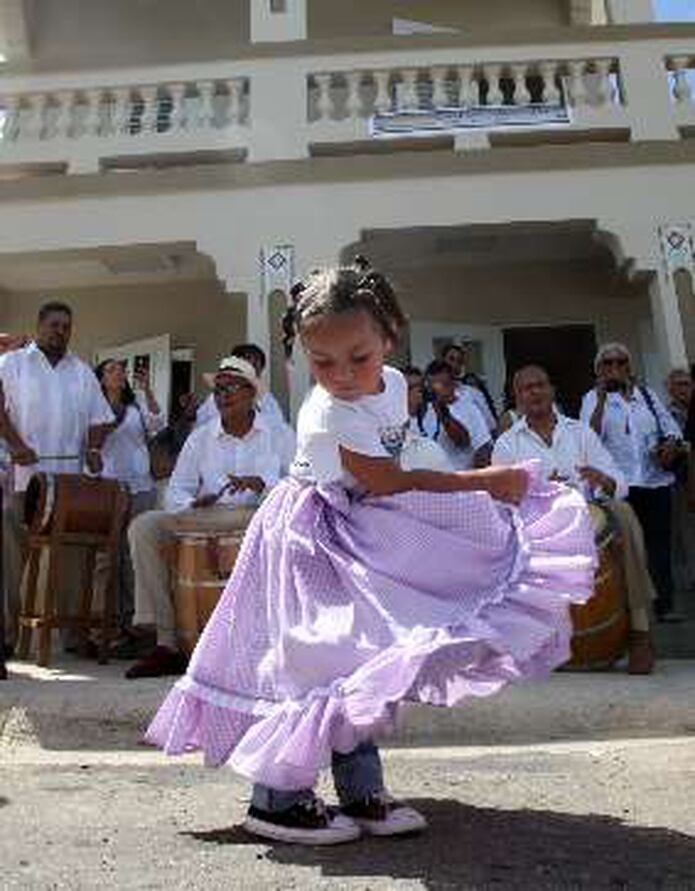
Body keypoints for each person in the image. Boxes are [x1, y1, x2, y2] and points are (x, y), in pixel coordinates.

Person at [146, 258, 595, 846]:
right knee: (317, 661)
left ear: (389, 335)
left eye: (358, 356)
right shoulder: (328, 410)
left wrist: (467, 504)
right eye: (322, 362)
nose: (343, 374)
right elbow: (384, 480)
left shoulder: (389, 388)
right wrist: (484, 482)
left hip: (360, 525)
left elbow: (401, 457)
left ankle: (360, 790)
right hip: (311, 537)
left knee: (365, 660)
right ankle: (276, 799)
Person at [125, 356, 282, 679]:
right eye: (218, 389)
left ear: (252, 393)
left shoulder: (278, 434)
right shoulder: (201, 437)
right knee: (145, 527)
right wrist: (194, 502)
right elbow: (175, 491)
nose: (222, 395)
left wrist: (263, 484)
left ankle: (267, 641)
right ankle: (167, 642)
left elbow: (299, 486)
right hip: (205, 517)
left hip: (256, 518)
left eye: (230, 388)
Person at [494, 365, 656, 674]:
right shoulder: (507, 444)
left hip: (586, 513)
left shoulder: (580, 432)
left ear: (552, 390)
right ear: (517, 398)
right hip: (538, 524)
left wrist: (602, 479)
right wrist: (537, 491)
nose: (535, 392)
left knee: (624, 513)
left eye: (540, 385)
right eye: (527, 388)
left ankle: (640, 631)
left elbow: (619, 484)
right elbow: (501, 500)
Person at [0, 303, 114, 649]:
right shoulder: (11, 364)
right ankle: (5, 638)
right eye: (54, 325)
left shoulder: (80, 372)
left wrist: (94, 449)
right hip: (21, 479)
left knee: (72, 560)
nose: (60, 332)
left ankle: (74, 636)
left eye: (66, 327)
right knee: (9, 558)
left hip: (67, 486)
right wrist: (16, 444)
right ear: (38, 326)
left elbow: (101, 418)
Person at [581, 343, 685, 623]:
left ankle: (664, 604)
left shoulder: (647, 396)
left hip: (655, 481)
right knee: (625, 547)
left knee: (659, 545)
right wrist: (602, 399)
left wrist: (671, 446)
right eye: (608, 363)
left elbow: (671, 428)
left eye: (621, 363)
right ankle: (630, 608)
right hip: (621, 485)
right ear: (599, 369)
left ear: (629, 367)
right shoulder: (592, 398)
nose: (615, 368)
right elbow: (587, 437)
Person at [94, 358, 166, 637]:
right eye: (111, 370)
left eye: (121, 370)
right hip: (108, 488)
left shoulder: (135, 406)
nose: (119, 373)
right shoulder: (94, 407)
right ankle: (107, 622)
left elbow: (157, 423)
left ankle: (136, 622)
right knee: (109, 556)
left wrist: (146, 389)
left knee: (133, 555)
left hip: (140, 486)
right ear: (100, 378)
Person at [196, 342, 296, 474]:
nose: (252, 370)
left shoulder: (269, 402)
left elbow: (278, 436)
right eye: (247, 363)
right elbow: (201, 434)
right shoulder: (213, 403)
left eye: (257, 366)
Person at [422, 360, 492, 469]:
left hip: (460, 478)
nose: (438, 390)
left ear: (453, 384)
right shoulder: (423, 410)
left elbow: (481, 446)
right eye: (432, 385)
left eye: (444, 384)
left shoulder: (469, 408)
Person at [666, 368, 695, 595]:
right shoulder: (664, 415)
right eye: (677, 385)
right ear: (669, 389)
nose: (682, 389)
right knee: (685, 531)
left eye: (686, 384)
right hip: (679, 479)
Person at [400, 367, 451, 472]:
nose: (417, 392)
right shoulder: (388, 423)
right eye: (410, 388)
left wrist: (440, 407)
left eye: (420, 387)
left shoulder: (437, 411)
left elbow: (463, 440)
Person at [440, 342, 498, 434]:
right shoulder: (430, 394)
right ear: (442, 361)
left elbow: (491, 425)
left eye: (459, 361)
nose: (454, 365)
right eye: (451, 359)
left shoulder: (473, 393)